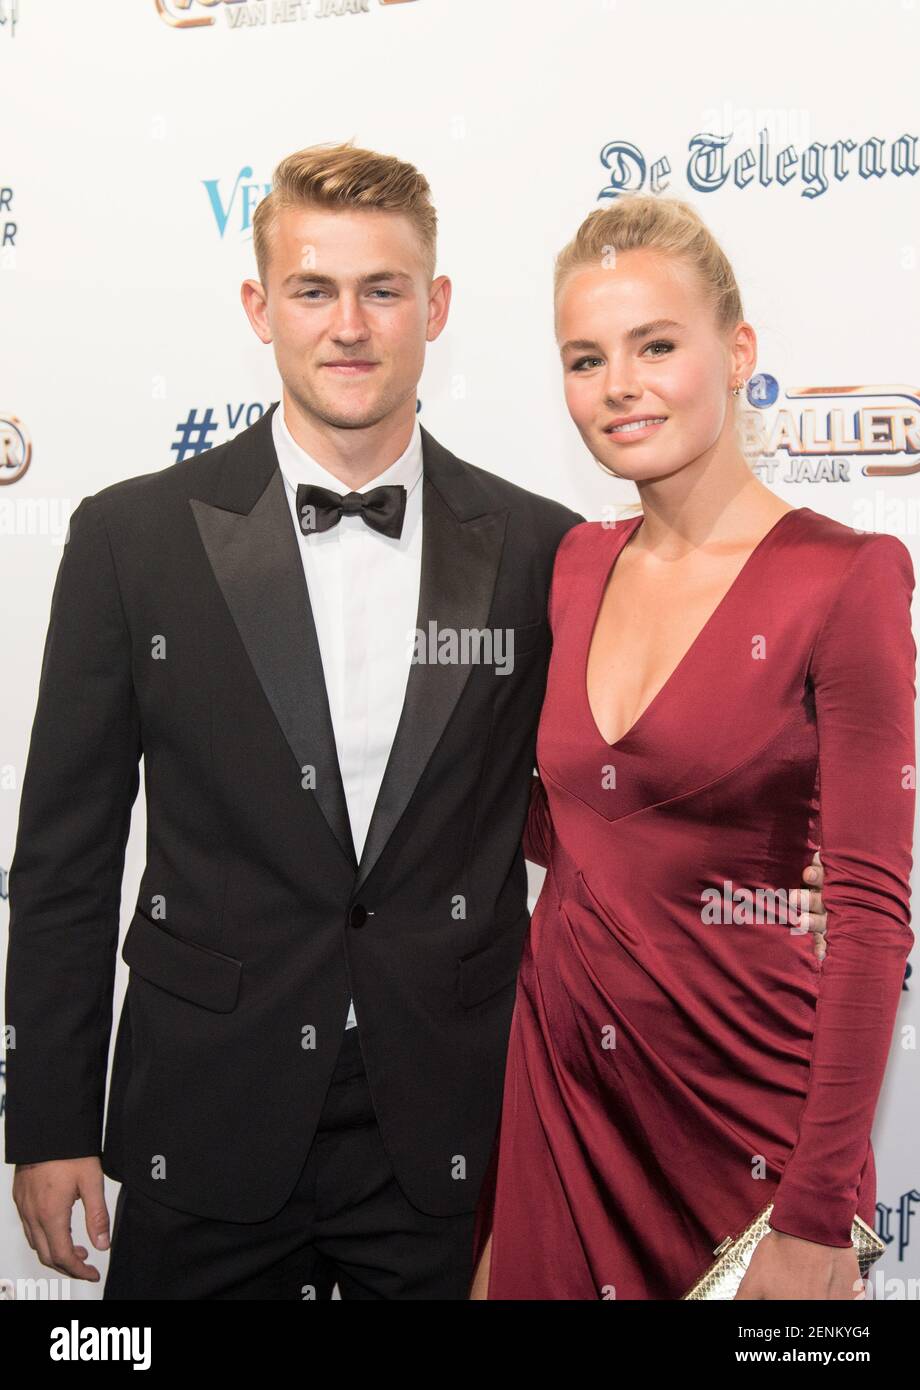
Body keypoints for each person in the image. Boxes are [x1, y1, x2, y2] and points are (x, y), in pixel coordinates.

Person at [4, 147, 827, 1300]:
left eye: (383, 289)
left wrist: (765, 868)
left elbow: (614, 794)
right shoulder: (128, 542)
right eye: (313, 289)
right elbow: (63, 861)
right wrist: (45, 1119)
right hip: (204, 1111)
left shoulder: (547, 552)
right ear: (259, 307)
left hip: (457, 1121)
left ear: (433, 307)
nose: (350, 325)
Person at [469, 194, 915, 1301]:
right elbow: (572, 817)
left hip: (751, 1132)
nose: (617, 384)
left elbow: (868, 915)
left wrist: (813, 1218)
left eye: (654, 345)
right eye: (584, 357)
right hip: (566, 1109)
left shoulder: (844, 577)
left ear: (737, 352)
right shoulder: (576, 563)